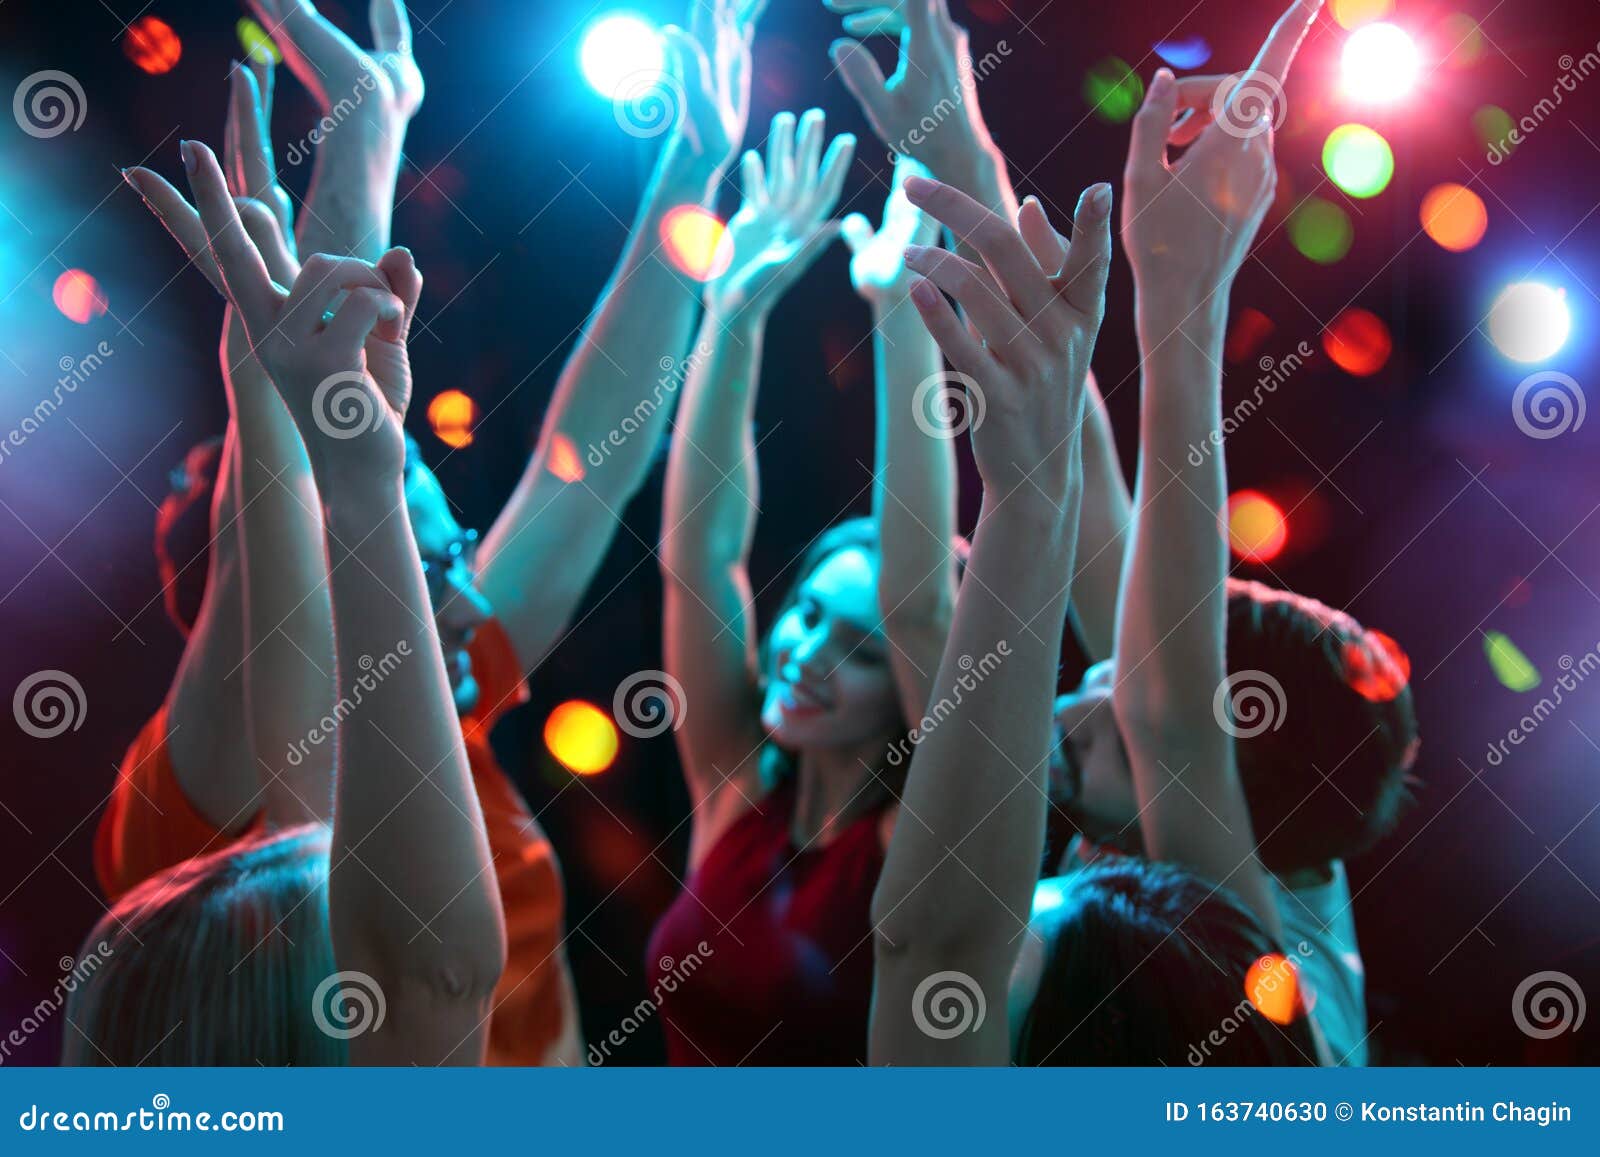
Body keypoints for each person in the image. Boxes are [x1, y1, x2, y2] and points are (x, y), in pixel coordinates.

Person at [99, 0, 769, 1065]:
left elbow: (590, 461)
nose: (464, 587)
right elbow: (275, 479)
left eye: (454, 549)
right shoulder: (211, 790)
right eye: (432, 556)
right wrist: (361, 147)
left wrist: (691, 169)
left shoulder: (430, 712)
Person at [869, 0, 1329, 1066]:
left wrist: (1183, 307)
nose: (1092, 691)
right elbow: (1154, 669)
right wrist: (959, 147)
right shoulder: (1242, 986)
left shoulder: (1245, 956)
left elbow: (931, 941)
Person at [69, 144, 505, 1064]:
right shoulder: (235, 872)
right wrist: (334, 456)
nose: (468, 602)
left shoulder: (143, 948)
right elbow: (433, 974)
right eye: (433, 563)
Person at [647, 92, 986, 1061]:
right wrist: (734, 312)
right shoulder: (736, 789)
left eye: (859, 649)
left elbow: (922, 607)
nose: (801, 654)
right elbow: (700, 557)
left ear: (910, 695)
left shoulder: (923, 844)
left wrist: (897, 316)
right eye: (804, 616)